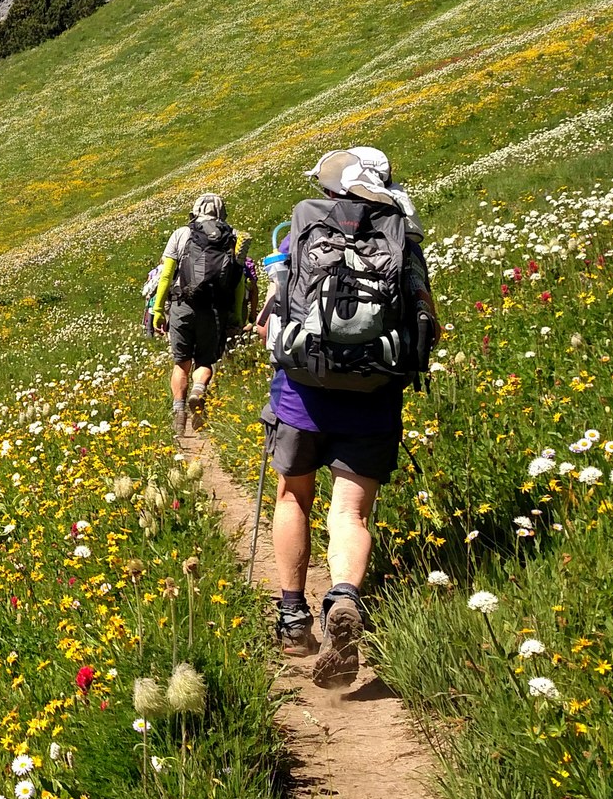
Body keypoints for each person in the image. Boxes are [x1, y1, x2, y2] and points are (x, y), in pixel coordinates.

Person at [258, 146, 440, 686]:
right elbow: (429, 326)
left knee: (293, 497)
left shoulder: (302, 230)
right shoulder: (403, 238)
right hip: (373, 393)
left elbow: (272, 324)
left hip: (300, 393)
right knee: (350, 514)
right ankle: (343, 596)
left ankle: (293, 619)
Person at [151, 192, 248, 435]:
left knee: (181, 363)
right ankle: (199, 390)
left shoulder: (182, 233)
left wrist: (158, 310)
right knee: (205, 361)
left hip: (183, 305)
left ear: (195, 211)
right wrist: (236, 315)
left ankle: (179, 411)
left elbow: (165, 275)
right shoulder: (232, 236)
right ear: (222, 212)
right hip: (215, 309)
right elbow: (239, 282)